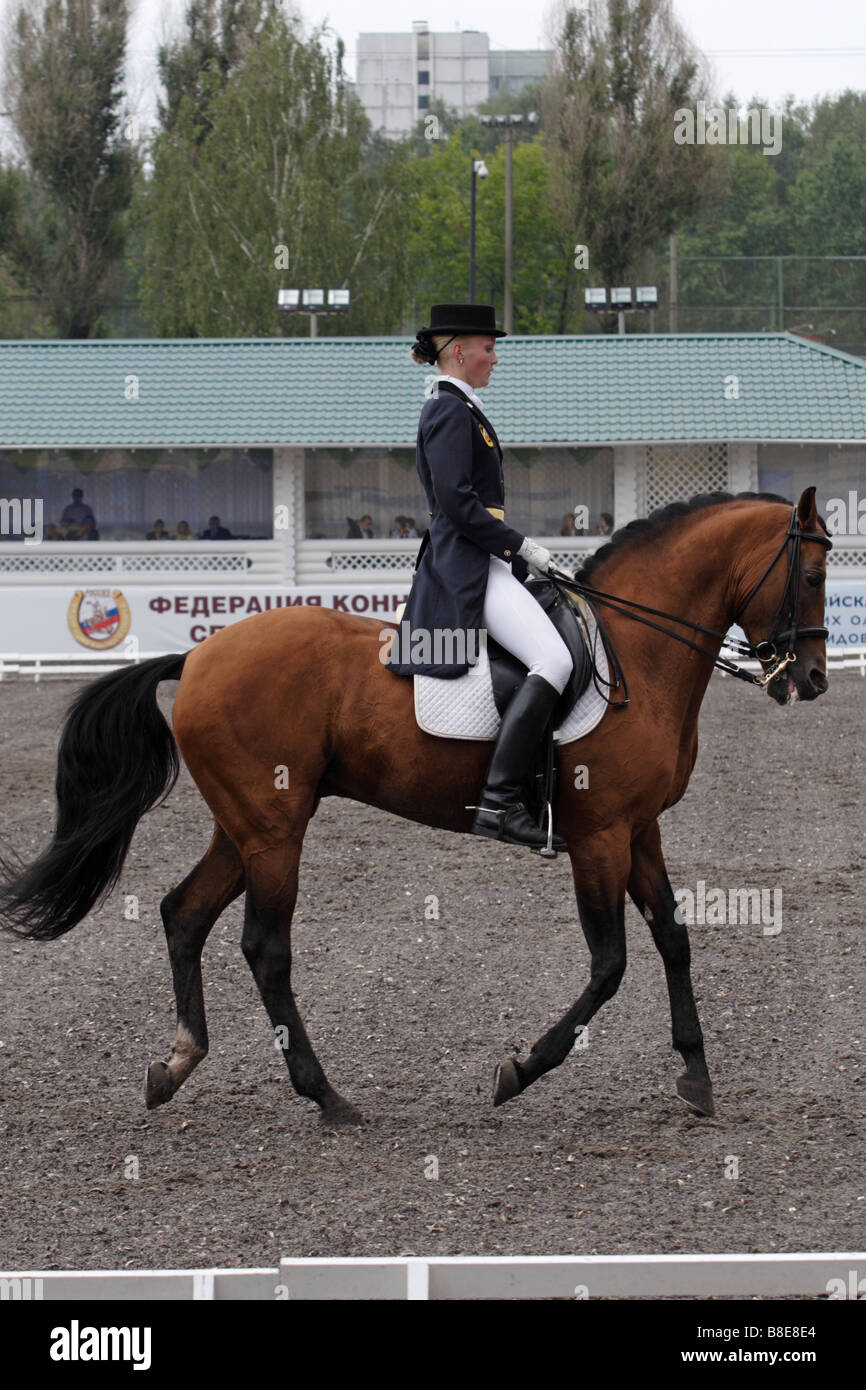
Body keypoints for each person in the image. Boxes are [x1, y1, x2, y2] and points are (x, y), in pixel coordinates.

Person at [385, 302, 572, 852]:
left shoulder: (464, 408)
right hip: (465, 563)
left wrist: (513, 553)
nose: (495, 357)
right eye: (489, 348)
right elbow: (459, 505)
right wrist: (522, 546)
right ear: (460, 351)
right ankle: (500, 802)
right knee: (554, 660)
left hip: (482, 557)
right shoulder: (447, 409)